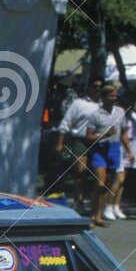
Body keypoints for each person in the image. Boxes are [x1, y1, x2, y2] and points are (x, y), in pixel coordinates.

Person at [54, 79, 101, 214]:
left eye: (100, 87)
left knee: (99, 175)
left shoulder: (104, 104)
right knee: (81, 171)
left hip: (98, 141)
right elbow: (66, 121)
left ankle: (96, 204)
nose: (97, 89)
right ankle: (78, 200)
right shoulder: (79, 103)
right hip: (80, 140)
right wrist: (60, 142)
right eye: (95, 86)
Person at [85, 82, 127, 226]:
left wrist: (128, 150)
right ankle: (92, 215)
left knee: (107, 185)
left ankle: (99, 216)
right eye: (110, 95)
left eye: (115, 95)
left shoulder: (120, 112)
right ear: (103, 97)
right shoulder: (95, 115)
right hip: (100, 149)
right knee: (100, 183)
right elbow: (88, 136)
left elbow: (124, 132)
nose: (114, 98)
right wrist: (104, 134)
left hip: (114, 148)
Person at [110, 106, 136, 220]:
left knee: (123, 181)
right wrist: (129, 151)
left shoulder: (135, 116)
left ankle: (116, 206)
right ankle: (109, 206)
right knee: (118, 178)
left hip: (131, 145)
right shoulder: (117, 113)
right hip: (121, 147)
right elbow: (122, 133)